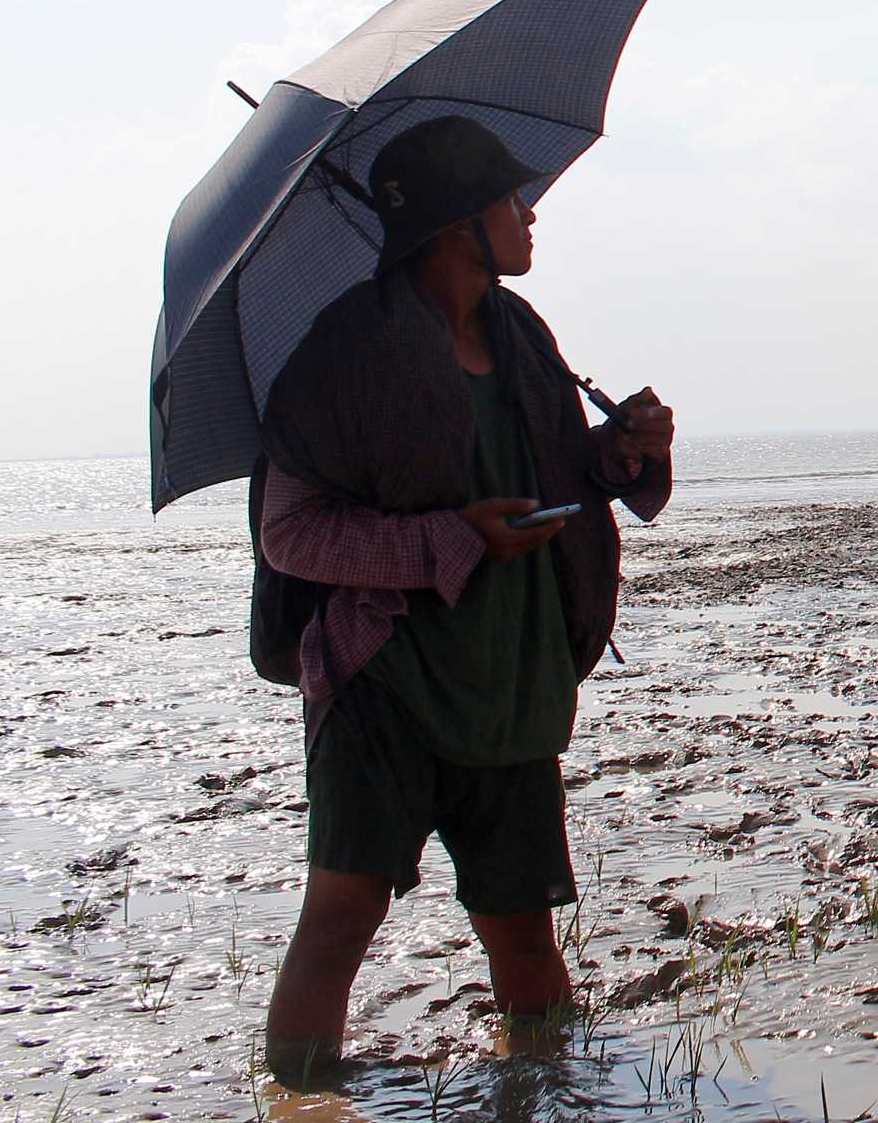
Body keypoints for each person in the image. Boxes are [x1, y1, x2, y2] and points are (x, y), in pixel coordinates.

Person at [247, 115, 675, 1078]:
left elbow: (553, 471)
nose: (531, 215)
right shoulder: (345, 352)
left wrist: (622, 453)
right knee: (343, 915)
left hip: (509, 682)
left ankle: (544, 1092)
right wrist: (457, 538)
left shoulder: (520, 334)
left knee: (523, 931)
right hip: (383, 683)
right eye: (509, 199)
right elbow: (291, 535)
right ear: (453, 223)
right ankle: (303, 1098)